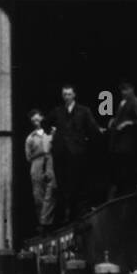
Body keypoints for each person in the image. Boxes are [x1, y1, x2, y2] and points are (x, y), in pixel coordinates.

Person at [47, 85, 102, 224]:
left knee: (77, 183)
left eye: (69, 94)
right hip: (61, 154)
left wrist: (86, 141)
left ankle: (77, 215)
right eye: (64, 94)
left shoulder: (84, 111)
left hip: (77, 154)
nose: (67, 97)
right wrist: (53, 133)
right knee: (62, 184)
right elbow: (45, 123)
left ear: (74, 95)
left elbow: (93, 129)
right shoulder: (57, 111)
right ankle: (64, 217)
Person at [108, 80, 137, 198]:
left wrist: (129, 122)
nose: (124, 92)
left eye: (126, 90)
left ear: (132, 89)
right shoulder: (122, 103)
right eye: (122, 90)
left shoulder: (136, 102)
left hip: (128, 146)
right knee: (119, 176)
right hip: (118, 146)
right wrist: (114, 121)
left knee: (126, 176)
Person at [25, 108, 56, 232]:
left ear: (42, 118)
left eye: (37, 118)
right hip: (36, 162)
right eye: (33, 120)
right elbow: (28, 156)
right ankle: (42, 223)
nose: (36, 121)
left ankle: (46, 223)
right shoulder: (30, 138)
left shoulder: (50, 134)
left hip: (49, 161)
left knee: (51, 190)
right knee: (38, 195)